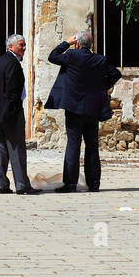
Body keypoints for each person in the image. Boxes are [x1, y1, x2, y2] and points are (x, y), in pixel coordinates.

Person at [45, 30, 121, 193]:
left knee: (73, 145)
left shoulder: (72, 56)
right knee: (92, 145)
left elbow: (52, 56)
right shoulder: (100, 59)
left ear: (77, 44)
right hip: (93, 109)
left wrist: (66, 43)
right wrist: (102, 86)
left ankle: (70, 184)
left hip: (73, 108)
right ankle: (94, 183)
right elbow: (116, 73)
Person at [0, 33, 39, 195]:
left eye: (25, 44)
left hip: (1, 113)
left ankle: (2, 184)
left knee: (3, 148)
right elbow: (12, 92)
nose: (24, 47)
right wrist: (13, 112)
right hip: (10, 113)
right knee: (17, 148)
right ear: (10, 46)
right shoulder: (12, 64)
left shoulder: (2, 61)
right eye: (21, 45)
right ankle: (22, 185)